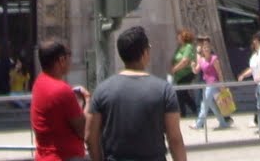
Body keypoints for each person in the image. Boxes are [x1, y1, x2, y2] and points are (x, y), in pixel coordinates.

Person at [85, 25, 187, 161]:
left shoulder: (102, 90)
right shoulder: (164, 90)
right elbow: (174, 139)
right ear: (145, 53)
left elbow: (90, 137)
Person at [30, 39, 88, 161]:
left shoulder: (39, 83)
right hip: (65, 157)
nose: (70, 61)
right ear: (61, 60)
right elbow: (84, 131)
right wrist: (87, 99)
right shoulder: (62, 90)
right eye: (69, 56)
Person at [188, 38, 230, 130]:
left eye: (207, 47)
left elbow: (219, 72)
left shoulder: (214, 59)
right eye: (204, 48)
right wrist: (193, 67)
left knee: (204, 104)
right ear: (202, 50)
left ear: (210, 48)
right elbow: (196, 71)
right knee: (212, 105)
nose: (206, 49)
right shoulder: (201, 60)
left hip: (214, 83)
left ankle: (198, 124)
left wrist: (222, 84)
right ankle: (223, 123)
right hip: (207, 84)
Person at [166, 33, 197, 123]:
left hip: (187, 74)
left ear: (184, 37)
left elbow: (185, 61)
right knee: (183, 93)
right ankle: (195, 109)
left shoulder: (188, 47)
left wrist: (174, 69)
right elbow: (174, 59)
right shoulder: (179, 47)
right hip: (178, 75)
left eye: (179, 37)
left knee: (180, 93)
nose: (177, 38)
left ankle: (183, 114)